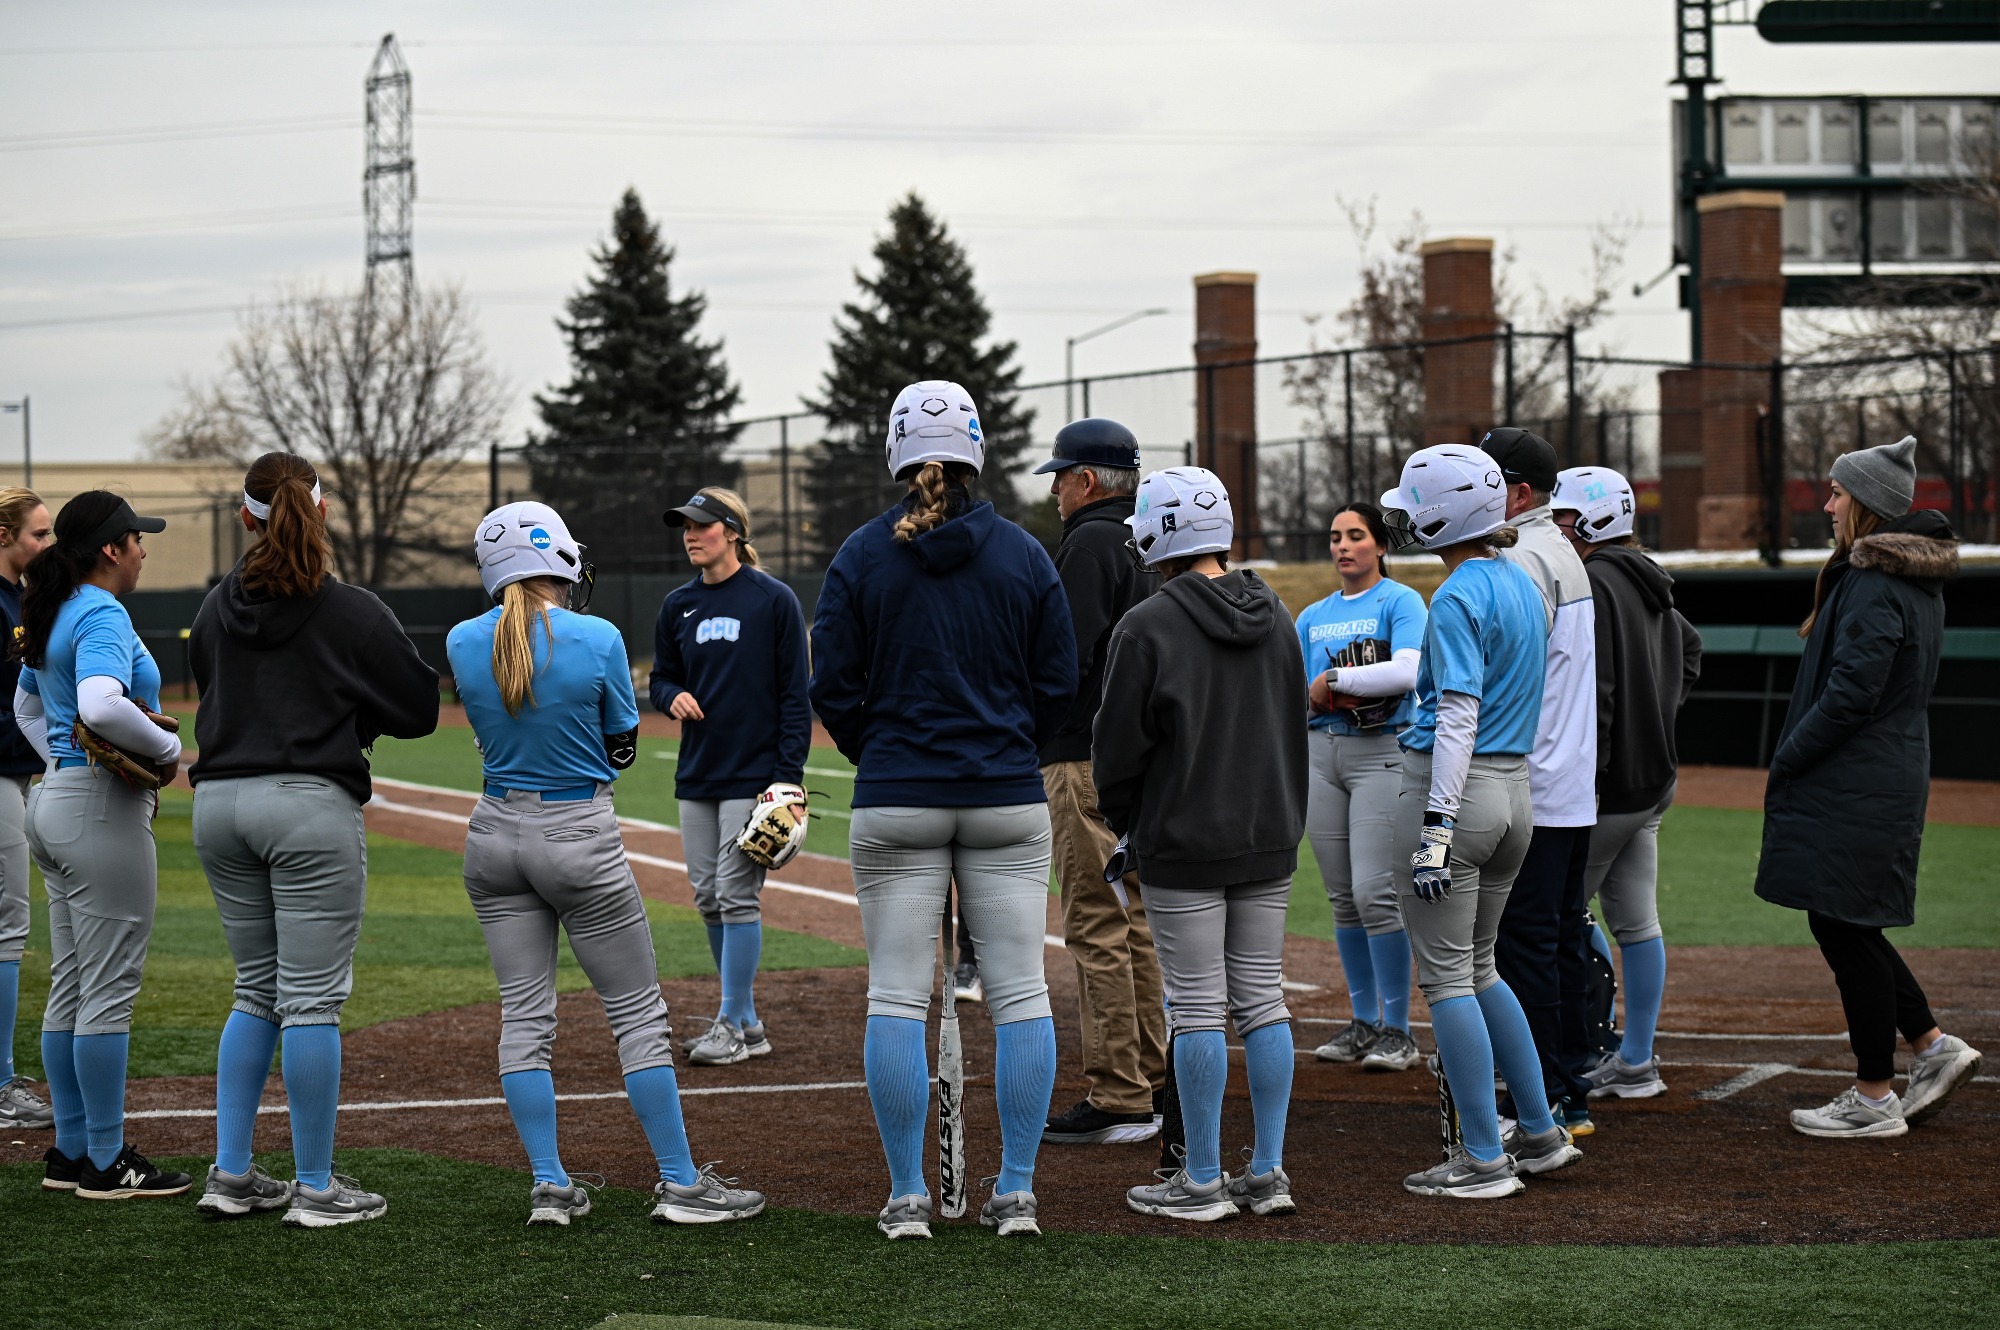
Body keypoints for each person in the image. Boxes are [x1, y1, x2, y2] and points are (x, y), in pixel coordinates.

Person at [810, 379, 1076, 1240]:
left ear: (895, 451)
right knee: (1022, 995)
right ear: (975, 450)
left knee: (894, 997)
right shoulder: (1027, 556)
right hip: (1003, 795)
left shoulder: (859, 554)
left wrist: (881, 755)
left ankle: (906, 1196)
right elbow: (1057, 685)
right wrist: (1004, 749)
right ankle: (1018, 1193)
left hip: (897, 796)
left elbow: (834, 687)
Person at [450, 501, 765, 1225]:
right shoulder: (596, 636)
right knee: (637, 1018)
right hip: (577, 832)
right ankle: (682, 1183)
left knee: (524, 1018)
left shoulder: (464, 640)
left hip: (494, 831)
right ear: (555, 557)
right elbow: (621, 743)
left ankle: (550, 1185)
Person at [187, 452, 441, 1226]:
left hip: (218, 805)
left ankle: (231, 1174)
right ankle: (319, 1189)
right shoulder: (354, 611)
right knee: (310, 1004)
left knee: (254, 992)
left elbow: (212, 683)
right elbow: (420, 708)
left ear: (245, 518)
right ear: (321, 512)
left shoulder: (210, 609)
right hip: (306, 807)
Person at [1092, 467, 1308, 1223]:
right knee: (1263, 1001)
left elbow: (1115, 754)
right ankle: (1270, 1170)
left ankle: (1202, 1178)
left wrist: (1130, 824)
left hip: (1185, 836)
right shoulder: (1279, 613)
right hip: (1269, 832)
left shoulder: (1146, 625)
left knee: (1197, 1009)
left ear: (1160, 533)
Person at [1754, 437, 1983, 1138]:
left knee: (1844, 922)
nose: (1827, 505)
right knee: (1848, 919)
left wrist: (1790, 754)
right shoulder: (1893, 579)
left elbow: (1854, 692)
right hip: (1875, 774)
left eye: (1837, 493)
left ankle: (1875, 1097)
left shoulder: (1878, 582)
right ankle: (1932, 1047)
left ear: (1870, 506)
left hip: (1860, 777)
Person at [1379, 445, 1583, 1199]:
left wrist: (1434, 826)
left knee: (1445, 981)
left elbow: (1458, 716)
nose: (1404, 519)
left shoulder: (1460, 594)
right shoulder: (1521, 580)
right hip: (1514, 795)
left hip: (1457, 795)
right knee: (1481, 966)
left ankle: (1483, 1157)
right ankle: (1536, 1131)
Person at [15, 492, 187, 1199]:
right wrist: (168, 744)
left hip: (55, 797)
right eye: (136, 539)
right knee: (107, 992)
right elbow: (100, 706)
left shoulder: (55, 606)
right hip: (96, 808)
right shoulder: (101, 609)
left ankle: (72, 1151)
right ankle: (108, 1162)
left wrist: (60, 756)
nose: (144, 549)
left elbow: (28, 705)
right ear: (112, 549)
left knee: (75, 985)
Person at [1030, 418, 1169, 1147]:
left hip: (1082, 755)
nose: (1054, 487)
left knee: (1096, 923)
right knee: (1135, 919)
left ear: (1087, 481)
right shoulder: (1149, 538)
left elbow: (1065, 656)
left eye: (1061, 475)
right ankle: (1146, 1076)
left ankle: (1120, 1092)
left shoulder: (1088, 543)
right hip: (1137, 757)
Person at [1550, 466, 1702, 1101]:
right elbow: (1690, 652)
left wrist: (1599, 767)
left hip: (1610, 789)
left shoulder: (1593, 581)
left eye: (1564, 517)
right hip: (1653, 782)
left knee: (1548, 918)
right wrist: (1660, 714)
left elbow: (1601, 692)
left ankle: (1559, 1059)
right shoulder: (1650, 576)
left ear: (1591, 521)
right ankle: (1635, 1058)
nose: (1556, 527)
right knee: (1636, 922)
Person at [651, 487, 810, 1067]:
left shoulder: (773, 600)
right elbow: (661, 678)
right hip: (698, 772)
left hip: (754, 775)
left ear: (733, 532)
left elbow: (796, 696)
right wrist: (673, 696)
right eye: (685, 527)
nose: (691, 535)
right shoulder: (678, 605)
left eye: (701, 525)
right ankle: (746, 1020)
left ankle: (730, 1025)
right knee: (706, 895)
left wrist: (786, 780)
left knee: (735, 893)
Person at [1477, 427, 1599, 1134]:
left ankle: (1544, 1094)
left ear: (1518, 492)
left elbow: (1501, 674)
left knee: (1524, 948)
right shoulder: (1560, 549)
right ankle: (1570, 1082)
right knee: (1557, 938)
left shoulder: (1522, 556)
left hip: (1534, 778)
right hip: (1569, 779)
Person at [1295, 501, 1426, 1073]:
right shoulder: (1311, 616)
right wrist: (1318, 691)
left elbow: (1408, 671)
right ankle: (1364, 1022)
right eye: (1335, 537)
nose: (1344, 546)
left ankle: (1399, 1030)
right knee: (1343, 897)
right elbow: (1292, 690)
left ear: (1380, 545)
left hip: (1381, 753)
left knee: (1375, 892)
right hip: (1320, 754)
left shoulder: (1402, 601)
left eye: (1356, 535)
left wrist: (1335, 679)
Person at [0, 488, 55, 1132]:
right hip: (0, 775)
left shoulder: (29, 597)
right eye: (37, 534)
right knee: (8, 926)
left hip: (20, 773)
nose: (46, 545)